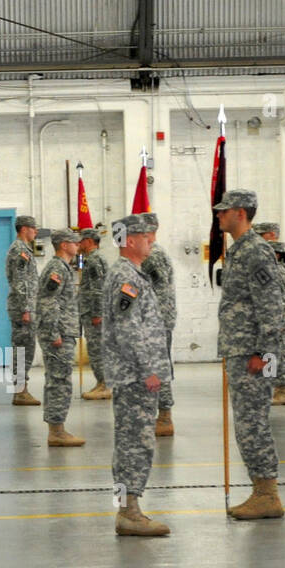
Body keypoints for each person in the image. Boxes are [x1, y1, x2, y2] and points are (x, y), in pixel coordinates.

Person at [216, 192, 285, 520]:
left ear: (240, 213)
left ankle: (267, 494)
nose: (219, 215)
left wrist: (264, 353)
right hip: (241, 350)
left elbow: (271, 305)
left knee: (252, 424)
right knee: (248, 423)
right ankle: (261, 490)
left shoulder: (256, 250)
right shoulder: (239, 250)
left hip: (252, 354)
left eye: (224, 211)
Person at [103, 213, 172, 536]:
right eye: (147, 237)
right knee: (135, 443)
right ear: (130, 241)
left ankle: (126, 509)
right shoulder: (125, 277)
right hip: (135, 375)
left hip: (134, 373)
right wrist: (148, 369)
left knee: (129, 441)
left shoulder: (130, 274)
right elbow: (128, 328)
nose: (152, 242)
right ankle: (128, 512)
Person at [36, 228, 85, 446]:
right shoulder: (57, 269)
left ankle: (57, 429)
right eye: (74, 242)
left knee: (58, 380)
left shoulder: (63, 268)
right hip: (58, 334)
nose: (78, 245)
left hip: (63, 332)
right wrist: (53, 332)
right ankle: (56, 431)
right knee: (59, 381)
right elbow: (48, 301)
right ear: (64, 245)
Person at [140, 232, 177, 436]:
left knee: (158, 366)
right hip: (154, 320)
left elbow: (156, 290)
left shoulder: (153, 255)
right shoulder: (151, 254)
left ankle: (164, 416)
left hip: (156, 322)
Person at [256, 221, 285, 405]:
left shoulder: (275, 270)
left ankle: (281, 389)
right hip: (280, 313)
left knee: (274, 352)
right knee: (276, 351)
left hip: (279, 314)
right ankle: (277, 388)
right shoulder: (280, 266)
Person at [5, 215, 41, 406]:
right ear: (24, 229)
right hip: (22, 308)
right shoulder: (20, 251)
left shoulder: (24, 250)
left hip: (25, 306)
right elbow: (20, 282)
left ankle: (21, 389)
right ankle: (20, 390)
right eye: (34, 228)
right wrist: (26, 309)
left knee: (26, 348)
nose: (36, 231)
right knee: (22, 349)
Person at [77, 228, 111, 400]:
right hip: (90, 312)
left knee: (97, 349)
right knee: (95, 348)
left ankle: (106, 384)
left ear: (89, 241)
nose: (79, 244)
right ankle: (101, 382)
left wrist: (98, 313)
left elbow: (99, 289)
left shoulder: (95, 260)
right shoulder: (90, 259)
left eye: (81, 240)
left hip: (94, 314)